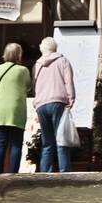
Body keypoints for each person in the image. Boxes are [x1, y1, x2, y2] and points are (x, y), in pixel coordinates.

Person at [32, 36, 76, 173]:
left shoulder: (37, 65)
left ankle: (45, 174)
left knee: (47, 142)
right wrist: (71, 98)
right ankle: (64, 173)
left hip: (41, 105)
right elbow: (68, 81)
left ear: (42, 48)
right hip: (58, 102)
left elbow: (34, 85)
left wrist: (36, 102)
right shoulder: (63, 61)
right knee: (61, 140)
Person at [0, 43, 31, 174]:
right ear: (19, 55)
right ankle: (13, 175)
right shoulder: (23, 71)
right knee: (16, 144)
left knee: (0, 143)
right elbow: (28, 87)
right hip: (16, 110)